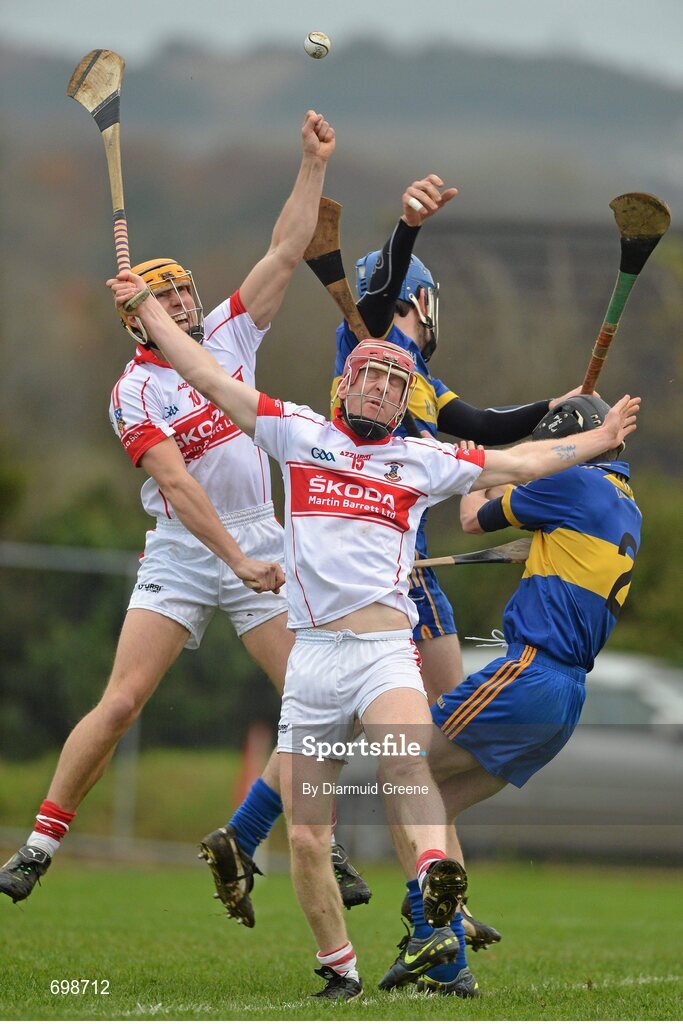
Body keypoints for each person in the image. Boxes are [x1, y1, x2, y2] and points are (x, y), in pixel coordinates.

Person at [102, 269, 639, 999]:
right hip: (314, 657)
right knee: (305, 833)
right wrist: (146, 313)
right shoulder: (296, 432)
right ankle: (339, 970)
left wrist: (597, 440)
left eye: (394, 382)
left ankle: (429, 877)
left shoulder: (422, 460)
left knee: (403, 765)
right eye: (370, 378)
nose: (383, 389)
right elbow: (202, 370)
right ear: (342, 390)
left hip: (386, 653)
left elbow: (518, 460)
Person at [0, 110, 356, 917]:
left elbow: (283, 250)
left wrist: (311, 165)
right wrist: (233, 561)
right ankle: (40, 843)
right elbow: (183, 490)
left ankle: (318, 841)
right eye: (167, 295)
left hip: (260, 539)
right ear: (137, 316)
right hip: (185, 553)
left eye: (187, 288)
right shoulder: (134, 392)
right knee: (122, 701)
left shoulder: (229, 335)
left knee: (311, 694)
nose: (188, 301)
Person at [381, 394, 642, 997]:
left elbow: (474, 513)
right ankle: (449, 971)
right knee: (433, 807)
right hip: (565, 700)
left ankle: (430, 933)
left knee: (401, 770)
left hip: (528, 674)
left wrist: (493, 456)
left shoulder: (575, 483)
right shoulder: (622, 502)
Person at [333, 175, 590, 705]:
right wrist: (408, 227)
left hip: (395, 547)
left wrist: (551, 408)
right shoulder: (368, 342)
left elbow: (483, 424)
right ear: (419, 300)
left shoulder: (421, 379)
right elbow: (379, 301)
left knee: (366, 724)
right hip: (390, 551)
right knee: (448, 721)